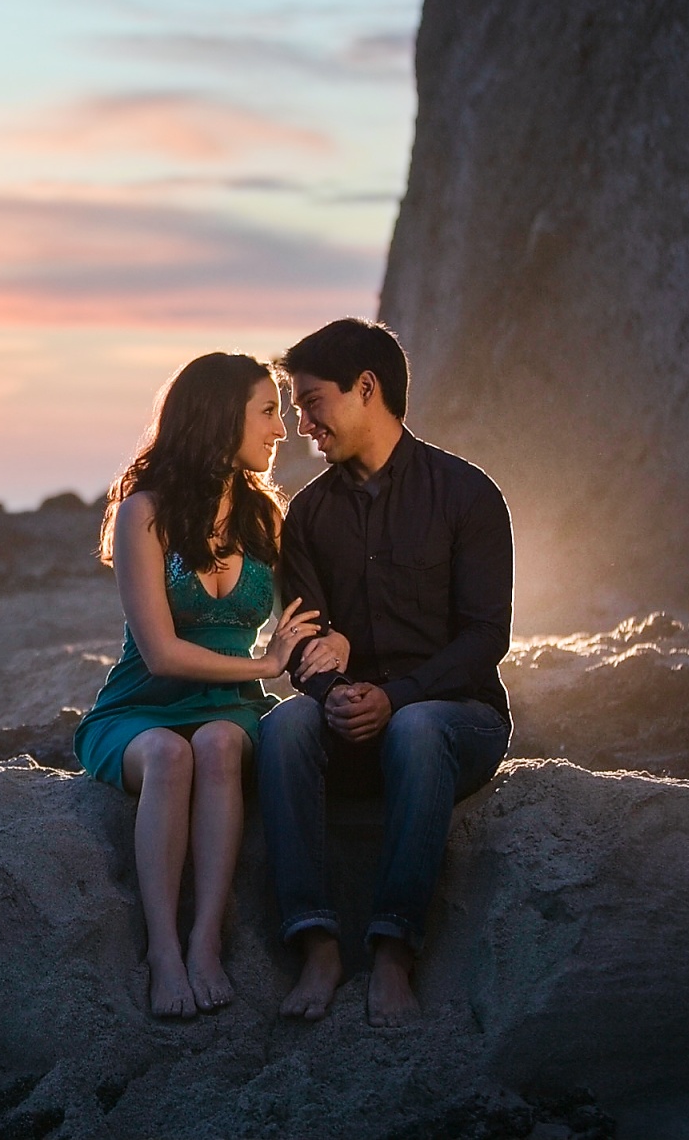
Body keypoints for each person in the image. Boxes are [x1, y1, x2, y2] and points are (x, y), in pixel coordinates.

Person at [260, 318, 513, 1028]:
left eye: (311, 402)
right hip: (347, 723)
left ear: (365, 388)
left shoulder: (468, 495)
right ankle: (316, 944)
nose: (301, 423)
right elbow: (305, 642)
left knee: (419, 728)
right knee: (282, 730)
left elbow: (486, 637)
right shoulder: (307, 518)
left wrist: (394, 697)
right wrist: (334, 694)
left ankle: (395, 951)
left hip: (455, 720)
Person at [74, 353, 322, 1019]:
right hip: (137, 710)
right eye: (267, 411)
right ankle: (162, 949)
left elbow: (305, 619)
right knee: (167, 754)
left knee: (214, 745)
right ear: (219, 418)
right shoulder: (143, 515)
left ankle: (207, 940)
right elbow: (159, 654)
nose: (281, 430)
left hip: (227, 711)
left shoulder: (267, 519)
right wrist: (266, 669)